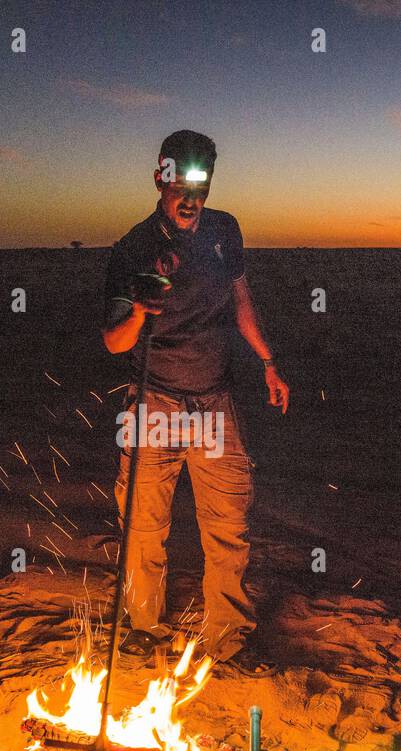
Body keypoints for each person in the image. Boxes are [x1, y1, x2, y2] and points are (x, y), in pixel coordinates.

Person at [102, 129, 289, 676]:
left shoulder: (224, 231)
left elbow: (240, 298)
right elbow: (114, 341)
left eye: (200, 189)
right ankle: (142, 628)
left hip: (214, 402)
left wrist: (268, 361)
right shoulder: (134, 248)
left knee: (228, 524)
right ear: (161, 182)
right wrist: (140, 310)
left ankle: (229, 636)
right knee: (142, 523)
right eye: (180, 188)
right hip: (154, 403)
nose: (191, 200)